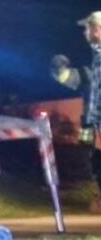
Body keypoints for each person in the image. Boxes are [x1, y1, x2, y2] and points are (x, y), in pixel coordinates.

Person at [50, 11, 101, 209]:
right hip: (94, 131)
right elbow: (83, 81)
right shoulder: (95, 60)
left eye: (87, 28)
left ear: (97, 29)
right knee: (96, 165)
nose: (85, 33)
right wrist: (60, 71)